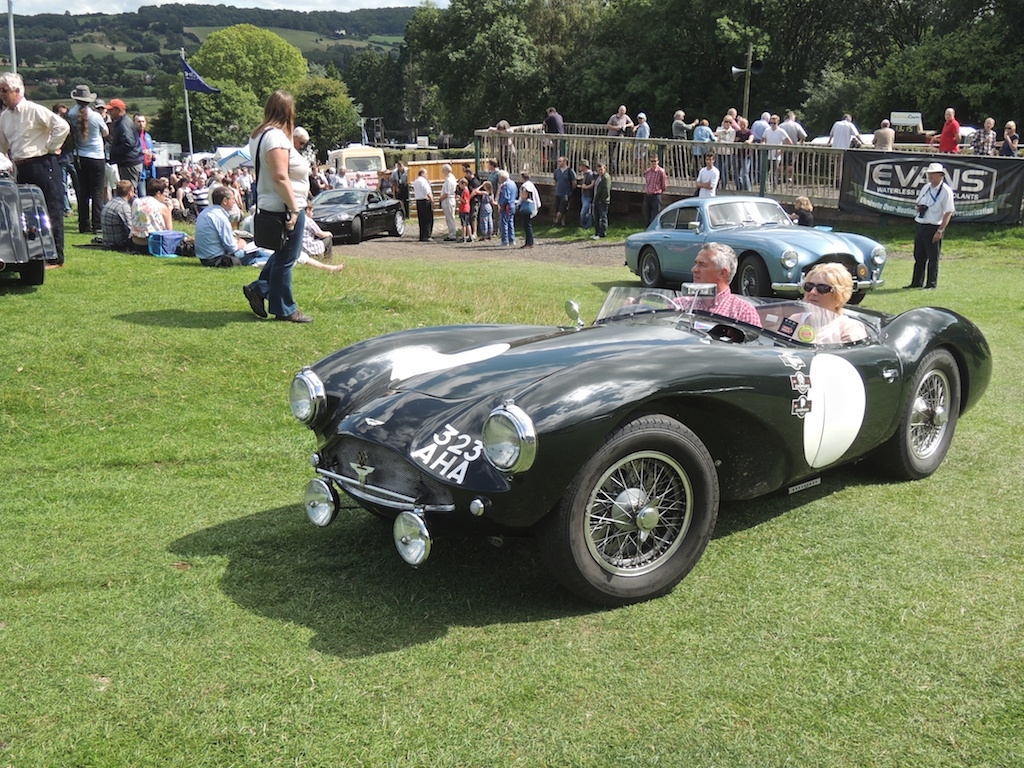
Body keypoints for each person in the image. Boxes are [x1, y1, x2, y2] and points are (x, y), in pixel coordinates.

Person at [242, 90, 312, 324]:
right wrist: (293, 209)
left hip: (272, 203)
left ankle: (259, 288)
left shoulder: (259, 135)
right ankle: (285, 308)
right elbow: (281, 176)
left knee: (282, 254)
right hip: (284, 206)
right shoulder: (277, 138)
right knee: (286, 259)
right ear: (288, 112)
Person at [0, 71, 70, 267]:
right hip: (21, 166)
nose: (2, 94)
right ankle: (34, 255)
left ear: (17, 91)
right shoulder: (4, 117)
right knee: (27, 212)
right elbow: (2, 144)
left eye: (4, 91)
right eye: (0, 91)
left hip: (42, 163)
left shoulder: (34, 110)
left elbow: (62, 126)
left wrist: (50, 147)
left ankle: (56, 257)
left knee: (51, 208)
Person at [670, 242, 762, 327]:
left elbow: (753, 344)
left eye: (702, 265)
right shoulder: (679, 305)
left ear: (722, 273)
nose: (694, 269)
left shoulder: (743, 312)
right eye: (696, 264)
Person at [68, 84, 109, 236]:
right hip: (96, 156)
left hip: (79, 156)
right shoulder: (96, 116)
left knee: (83, 192)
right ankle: (97, 225)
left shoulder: (71, 114)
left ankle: (83, 224)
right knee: (97, 192)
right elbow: (105, 132)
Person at [906, 161, 954, 290]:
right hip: (921, 223)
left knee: (933, 257)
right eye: (929, 174)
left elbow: (949, 212)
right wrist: (919, 208)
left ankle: (931, 284)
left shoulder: (946, 191)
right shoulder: (926, 187)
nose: (930, 176)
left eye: (933, 174)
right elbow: (919, 202)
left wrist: (940, 230)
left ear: (940, 175)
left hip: (934, 226)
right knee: (919, 256)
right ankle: (916, 282)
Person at [195, 186, 271, 267]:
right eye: (233, 199)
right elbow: (232, 248)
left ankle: (264, 260)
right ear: (225, 201)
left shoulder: (205, 212)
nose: (235, 202)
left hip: (205, 258)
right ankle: (271, 259)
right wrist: (242, 242)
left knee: (251, 252)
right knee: (253, 251)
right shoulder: (221, 218)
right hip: (219, 259)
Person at [799, 264, 868, 344]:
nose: (812, 292)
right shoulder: (794, 320)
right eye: (809, 286)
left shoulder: (849, 328)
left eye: (822, 288)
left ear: (839, 295)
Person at [106, 98, 143, 190]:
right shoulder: (122, 122)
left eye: (111, 110)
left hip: (129, 164)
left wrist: (114, 150)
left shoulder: (124, 124)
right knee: (128, 192)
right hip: (129, 163)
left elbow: (129, 143)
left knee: (128, 192)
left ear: (119, 110)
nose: (109, 112)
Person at [129, 176, 174, 251]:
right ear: (159, 193)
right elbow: (169, 230)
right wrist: (169, 210)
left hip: (136, 240)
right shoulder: (161, 207)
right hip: (153, 243)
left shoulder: (136, 202)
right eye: (164, 194)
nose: (165, 197)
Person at [99, 179, 134, 250]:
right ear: (130, 193)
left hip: (107, 241)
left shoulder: (109, 203)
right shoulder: (123, 206)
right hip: (119, 244)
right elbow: (130, 229)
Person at [516, 171, 540, 248]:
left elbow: (524, 195)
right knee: (527, 224)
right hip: (530, 204)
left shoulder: (526, 186)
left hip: (527, 205)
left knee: (527, 225)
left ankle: (529, 242)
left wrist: (519, 200)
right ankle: (528, 242)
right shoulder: (530, 184)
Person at [642, 154, 667, 224]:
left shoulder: (661, 171)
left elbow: (664, 184)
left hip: (656, 195)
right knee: (647, 214)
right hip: (648, 195)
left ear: (658, 161)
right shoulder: (647, 171)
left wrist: (659, 191)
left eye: (655, 161)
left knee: (655, 215)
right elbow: (647, 182)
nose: (653, 163)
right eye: (652, 161)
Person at [134, 114, 154, 198]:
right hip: (139, 170)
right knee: (142, 196)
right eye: (138, 121)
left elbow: (152, 150)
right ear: (134, 123)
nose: (141, 124)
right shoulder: (133, 136)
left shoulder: (148, 136)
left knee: (151, 196)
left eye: (143, 121)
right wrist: (142, 152)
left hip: (150, 169)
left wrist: (153, 155)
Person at [553, 155, 576, 227]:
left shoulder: (570, 171)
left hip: (566, 193)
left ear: (565, 162)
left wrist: (570, 190)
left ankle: (556, 221)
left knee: (562, 209)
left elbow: (574, 182)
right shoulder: (557, 171)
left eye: (560, 161)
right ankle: (563, 223)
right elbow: (555, 181)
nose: (558, 163)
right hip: (558, 192)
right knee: (559, 208)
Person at [497, 169, 517, 246]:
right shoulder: (513, 183)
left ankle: (505, 241)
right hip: (512, 204)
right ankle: (511, 239)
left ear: (502, 177)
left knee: (504, 223)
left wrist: (501, 205)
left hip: (506, 206)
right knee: (510, 222)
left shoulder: (505, 185)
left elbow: (505, 197)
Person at [438, 163, 458, 241]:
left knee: (450, 218)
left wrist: (440, 199)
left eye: (443, 170)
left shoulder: (449, 180)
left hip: (448, 200)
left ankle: (452, 234)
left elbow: (446, 193)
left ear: (446, 171)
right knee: (450, 217)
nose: (443, 172)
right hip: (449, 199)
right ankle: (451, 233)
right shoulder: (451, 178)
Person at [413, 168, 434, 241]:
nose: (427, 175)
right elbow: (428, 193)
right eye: (426, 174)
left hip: (419, 201)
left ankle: (422, 235)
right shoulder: (424, 182)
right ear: (422, 174)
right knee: (428, 219)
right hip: (425, 201)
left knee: (421, 219)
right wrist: (432, 201)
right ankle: (427, 235)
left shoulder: (415, 181)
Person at [591, 162, 610, 240]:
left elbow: (606, 190)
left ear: (605, 168)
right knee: (596, 216)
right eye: (598, 170)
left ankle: (602, 233)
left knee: (603, 217)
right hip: (597, 199)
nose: (600, 171)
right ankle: (597, 232)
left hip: (602, 201)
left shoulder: (606, 178)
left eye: (601, 169)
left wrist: (601, 200)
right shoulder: (598, 177)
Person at [577, 159, 596, 229]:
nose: (579, 167)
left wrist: (586, 187)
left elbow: (593, 183)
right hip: (584, 195)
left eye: (580, 166)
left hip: (588, 195)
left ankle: (583, 225)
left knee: (584, 212)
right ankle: (587, 226)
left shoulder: (590, 174)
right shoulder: (585, 174)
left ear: (584, 166)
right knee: (588, 212)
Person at [457, 177, 473, 243]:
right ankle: (470, 236)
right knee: (467, 223)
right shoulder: (465, 190)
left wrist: (460, 198)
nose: (459, 186)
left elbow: (466, 201)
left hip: (464, 209)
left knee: (463, 223)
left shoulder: (465, 191)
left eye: (460, 184)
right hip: (465, 208)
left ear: (464, 184)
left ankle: (464, 237)